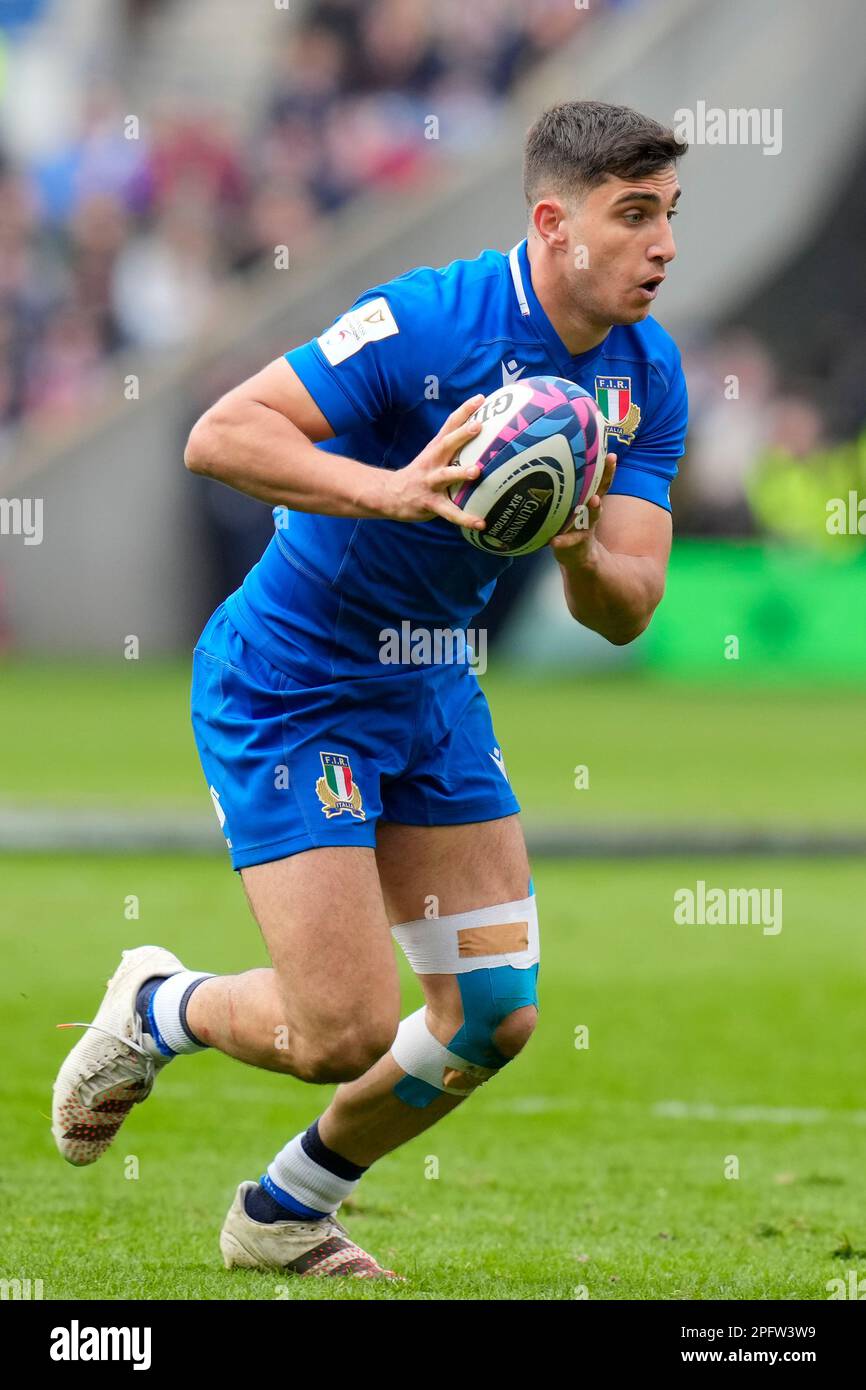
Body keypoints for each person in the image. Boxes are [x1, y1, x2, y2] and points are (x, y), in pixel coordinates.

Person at [52, 100, 688, 1281]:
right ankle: (159, 1007)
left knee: (492, 1013)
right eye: (634, 215)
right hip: (294, 677)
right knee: (338, 1030)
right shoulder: (429, 318)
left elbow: (628, 608)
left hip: (433, 682)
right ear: (554, 225)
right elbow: (221, 436)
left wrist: (572, 545)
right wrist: (392, 489)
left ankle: (283, 1210)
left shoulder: (646, 377)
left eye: (669, 216)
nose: (661, 245)